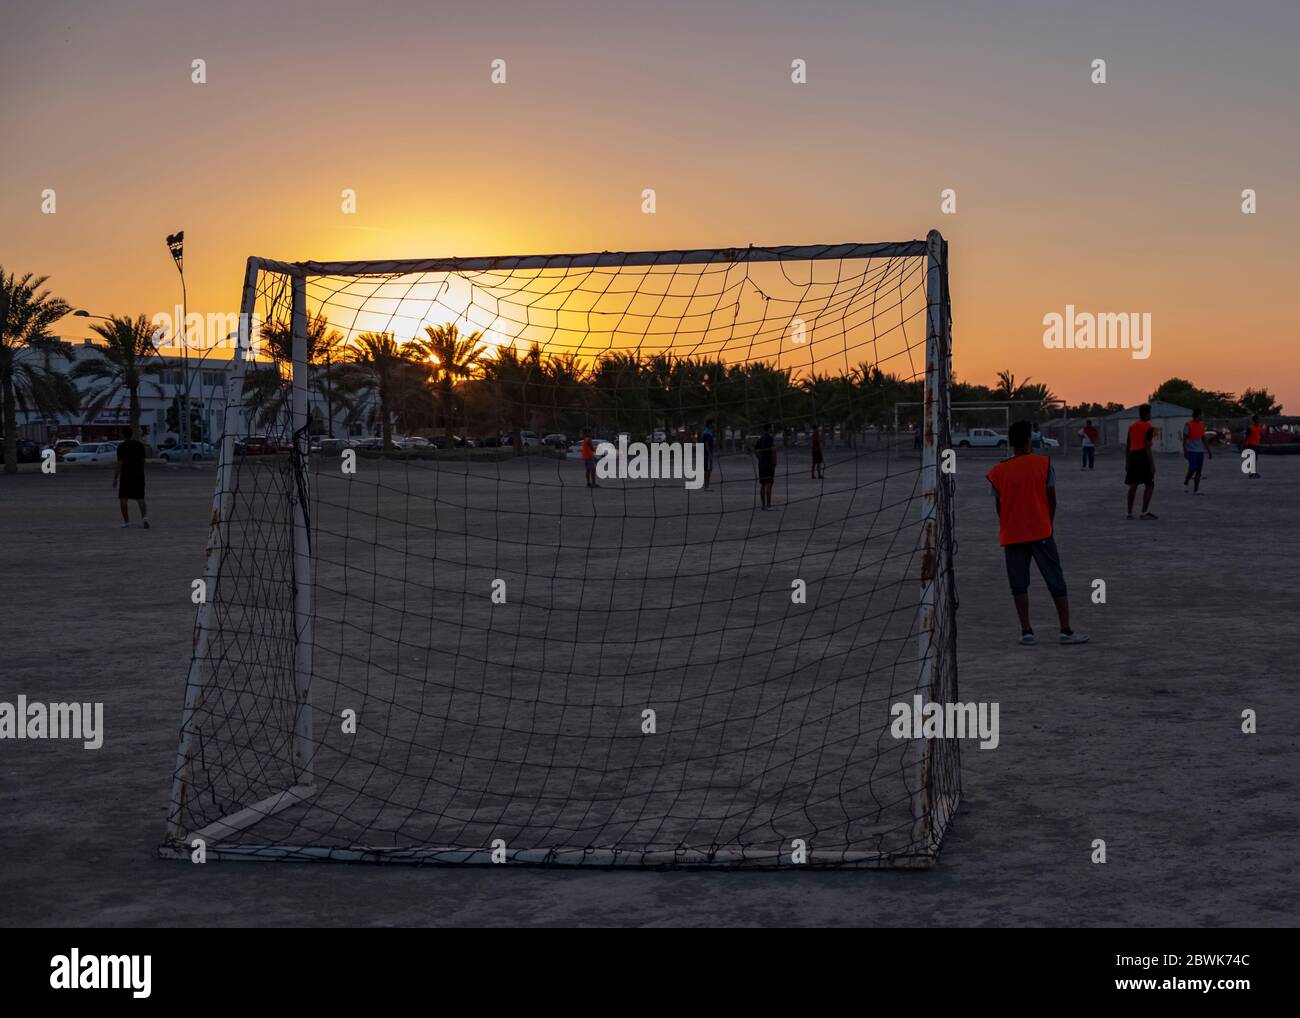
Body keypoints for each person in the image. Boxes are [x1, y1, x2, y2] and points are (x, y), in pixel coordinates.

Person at [986, 420, 1088, 646]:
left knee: (1019, 584)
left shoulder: (999, 471)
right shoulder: (1043, 464)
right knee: (1056, 581)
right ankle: (1066, 630)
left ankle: (1026, 631)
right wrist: (1046, 524)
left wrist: (1012, 523)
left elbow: (999, 508)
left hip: (1013, 535)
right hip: (1041, 533)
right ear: (1028, 439)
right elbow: (1052, 499)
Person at [1125, 404, 1157, 520]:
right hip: (1143, 456)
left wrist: (1127, 461)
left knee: (1133, 484)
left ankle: (1129, 512)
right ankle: (1144, 512)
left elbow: (1128, 445)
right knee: (1149, 484)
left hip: (1133, 456)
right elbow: (1147, 446)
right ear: (1147, 414)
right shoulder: (1148, 427)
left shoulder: (1132, 427)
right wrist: (1152, 463)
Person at [113, 426, 149, 528]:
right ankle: (144, 518)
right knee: (140, 498)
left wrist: (115, 478)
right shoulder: (140, 445)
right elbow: (143, 461)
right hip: (138, 474)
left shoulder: (121, 447)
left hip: (126, 476)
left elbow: (120, 463)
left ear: (123, 434)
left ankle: (127, 521)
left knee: (123, 499)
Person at [1182, 408, 1212, 494]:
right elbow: (1184, 439)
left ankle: (1196, 490)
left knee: (1199, 470)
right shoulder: (1188, 424)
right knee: (1192, 468)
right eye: (1200, 415)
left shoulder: (1202, 425)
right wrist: (1185, 451)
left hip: (1200, 451)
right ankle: (1187, 480)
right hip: (1191, 450)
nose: (1202, 416)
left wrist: (1208, 451)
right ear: (1196, 415)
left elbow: (1203, 438)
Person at [754, 423, 777, 510]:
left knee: (763, 484)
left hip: (761, 464)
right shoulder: (770, 438)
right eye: (772, 427)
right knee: (769, 484)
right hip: (769, 464)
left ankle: (763, 505)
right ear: (769, 428)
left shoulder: (760, 438)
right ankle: (769, 505)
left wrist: (759, 458)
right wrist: (774, 462)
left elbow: (755, 449)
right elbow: (773, 451)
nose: (773, 428)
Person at [701, 419, 716, 490]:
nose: (714, 425)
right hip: (706, 454)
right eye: (713, 423)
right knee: (707, 470)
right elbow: (706, 444)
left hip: (708, 454)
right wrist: (710, 454)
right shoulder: (707, 432)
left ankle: (707, 486)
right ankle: (706, 487)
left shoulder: (709, 432)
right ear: (710, 424)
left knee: (709, 470)